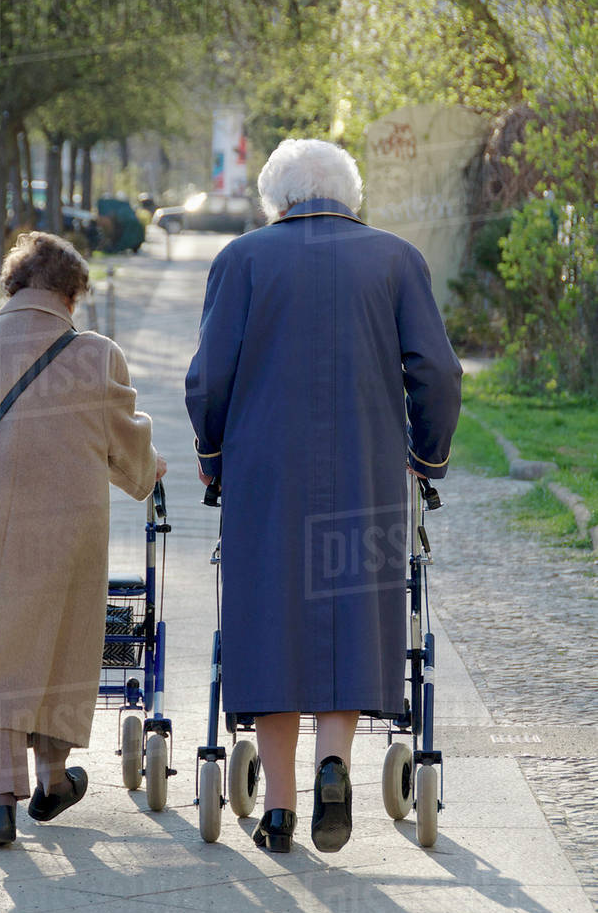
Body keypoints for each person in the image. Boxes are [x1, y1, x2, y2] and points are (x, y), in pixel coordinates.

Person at [185, 138, 461, 854]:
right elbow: (435, 369)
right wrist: (425, 457)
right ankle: (333, 765)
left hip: (263, 473)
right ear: (349, 194)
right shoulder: (396, 259)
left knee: (267, 620)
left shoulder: (240, 261)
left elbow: (208, 380)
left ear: (276, 197)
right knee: (348, 609)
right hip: (365, 469)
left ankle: (278, 809)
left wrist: (212, 457)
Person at [0, 231, 166, 847]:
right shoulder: (96, 354)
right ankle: (54, 777)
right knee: (61, 647)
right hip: (68, 529)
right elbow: (127, 448)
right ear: (71, 293)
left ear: (11, 285)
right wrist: (150, 470)